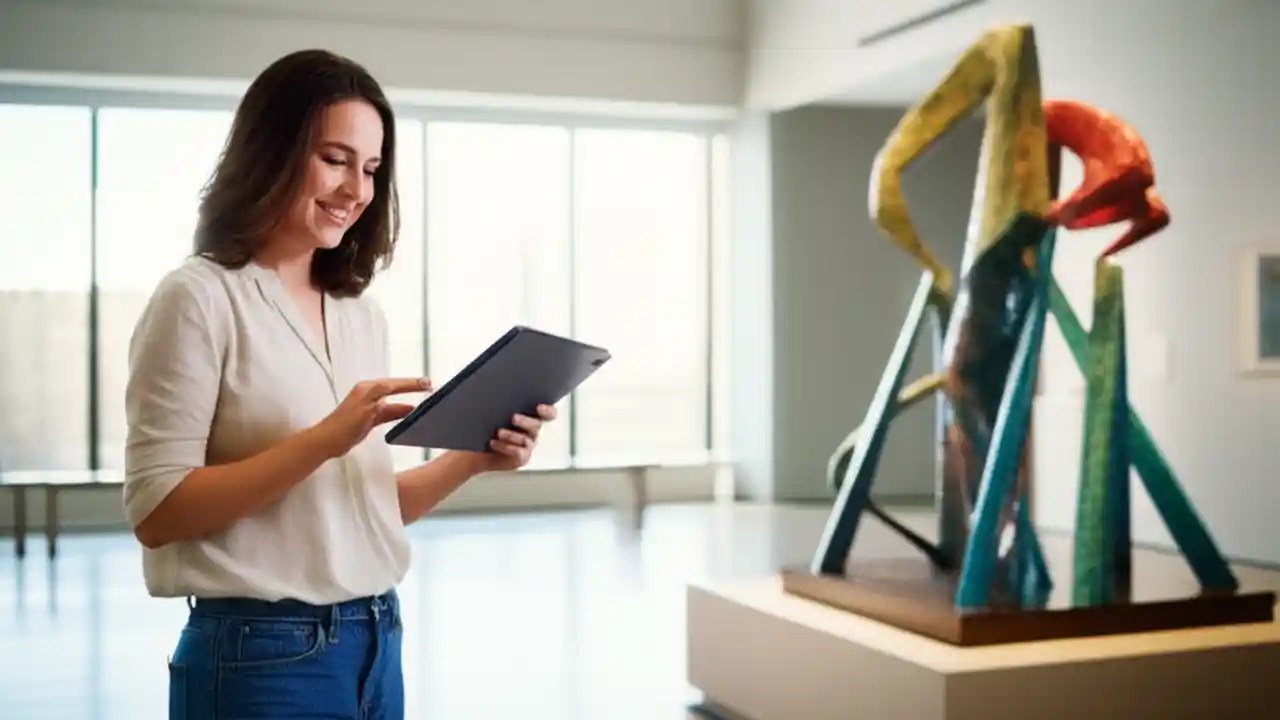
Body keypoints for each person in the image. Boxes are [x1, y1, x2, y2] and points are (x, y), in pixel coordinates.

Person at [122, 48, 557, 719]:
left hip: (374, 643)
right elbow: (157, 513)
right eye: (335, 159)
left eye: (373, 169)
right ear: (271, 150)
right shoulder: (199, 298)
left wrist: (474, 457)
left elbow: (357, 508)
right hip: (258, 658)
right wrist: (324, 439)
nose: (357, 190)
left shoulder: (359, 314)